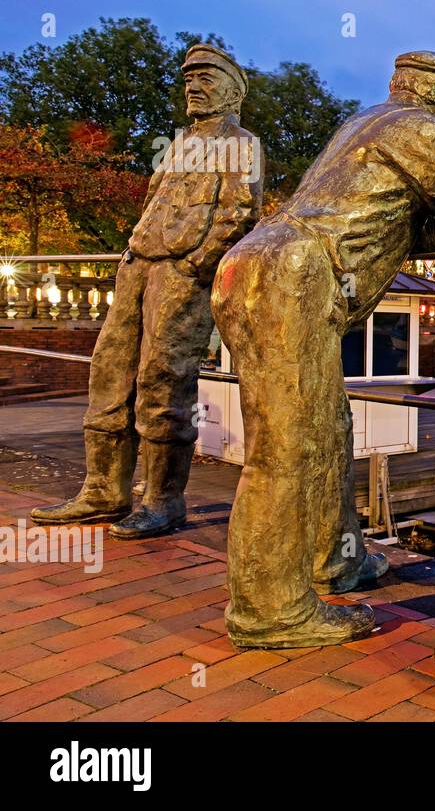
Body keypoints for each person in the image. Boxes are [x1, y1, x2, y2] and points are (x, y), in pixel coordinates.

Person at [211, 51, 435, 648]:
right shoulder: (425, 128)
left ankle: (335, 558)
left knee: (329, 427)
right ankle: (268, 610)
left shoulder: (364, 122)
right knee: (284, 447)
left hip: (259, 262)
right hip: (299, 274)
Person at [31, 43, 262, 539]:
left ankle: (163, 500)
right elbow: (156, 202)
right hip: (139, 263)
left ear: (233, 90)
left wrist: (197, 263)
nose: (193, 88)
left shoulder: (242, 143)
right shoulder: (180, 143)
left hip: (180, 272)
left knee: (163, 377)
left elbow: (241, 212)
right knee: (109, 371)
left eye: (205, 78)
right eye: (188, 80)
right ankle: (103, 490)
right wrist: (132, 256)